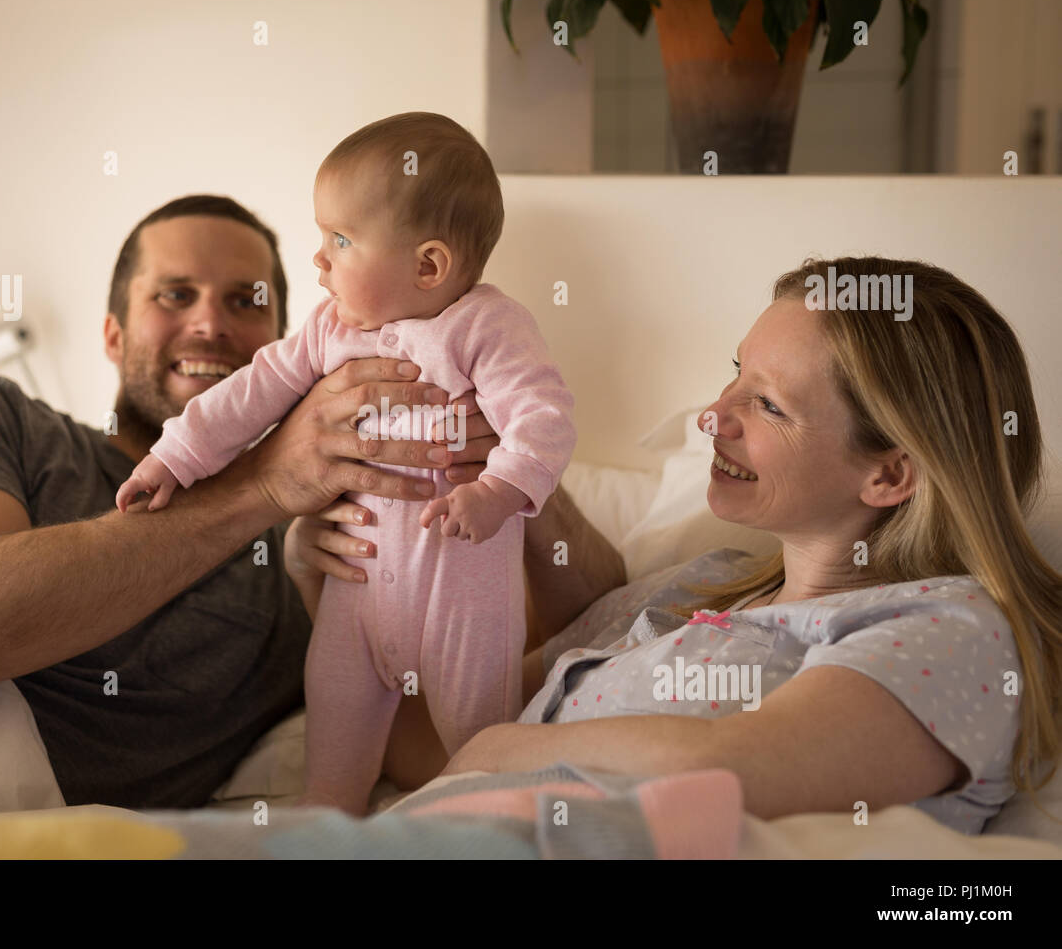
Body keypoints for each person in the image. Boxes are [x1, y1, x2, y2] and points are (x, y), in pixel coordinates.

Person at [0, 194, 568, 809]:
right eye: (174, 295)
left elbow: (442, 730)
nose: (209, 325)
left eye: (245, 301)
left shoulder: (318, 529)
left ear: (288, 343)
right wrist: (258, 485)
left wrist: (509, 466)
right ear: (112, 333)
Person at [297, 256, 1062, 833]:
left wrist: (495, 749)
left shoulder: (952, 631)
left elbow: (728, 770)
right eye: (736, 374)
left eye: (767, 404)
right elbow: (414, 750)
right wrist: (332, 577)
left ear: (890, 474)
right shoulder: (702, 588)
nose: (712, 416)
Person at [115, 113, 577, 816]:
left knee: (480, 751)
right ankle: (329, 816)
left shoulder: (485, 326)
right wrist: (175, 455)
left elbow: (542, 417)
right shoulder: (330, 329)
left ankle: (490, 818)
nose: (318, 261)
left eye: (339, 239)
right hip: (355, 589)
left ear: (428, 265)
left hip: (459, 599)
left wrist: (500, 489)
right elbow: (251, 391)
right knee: (334, 731)